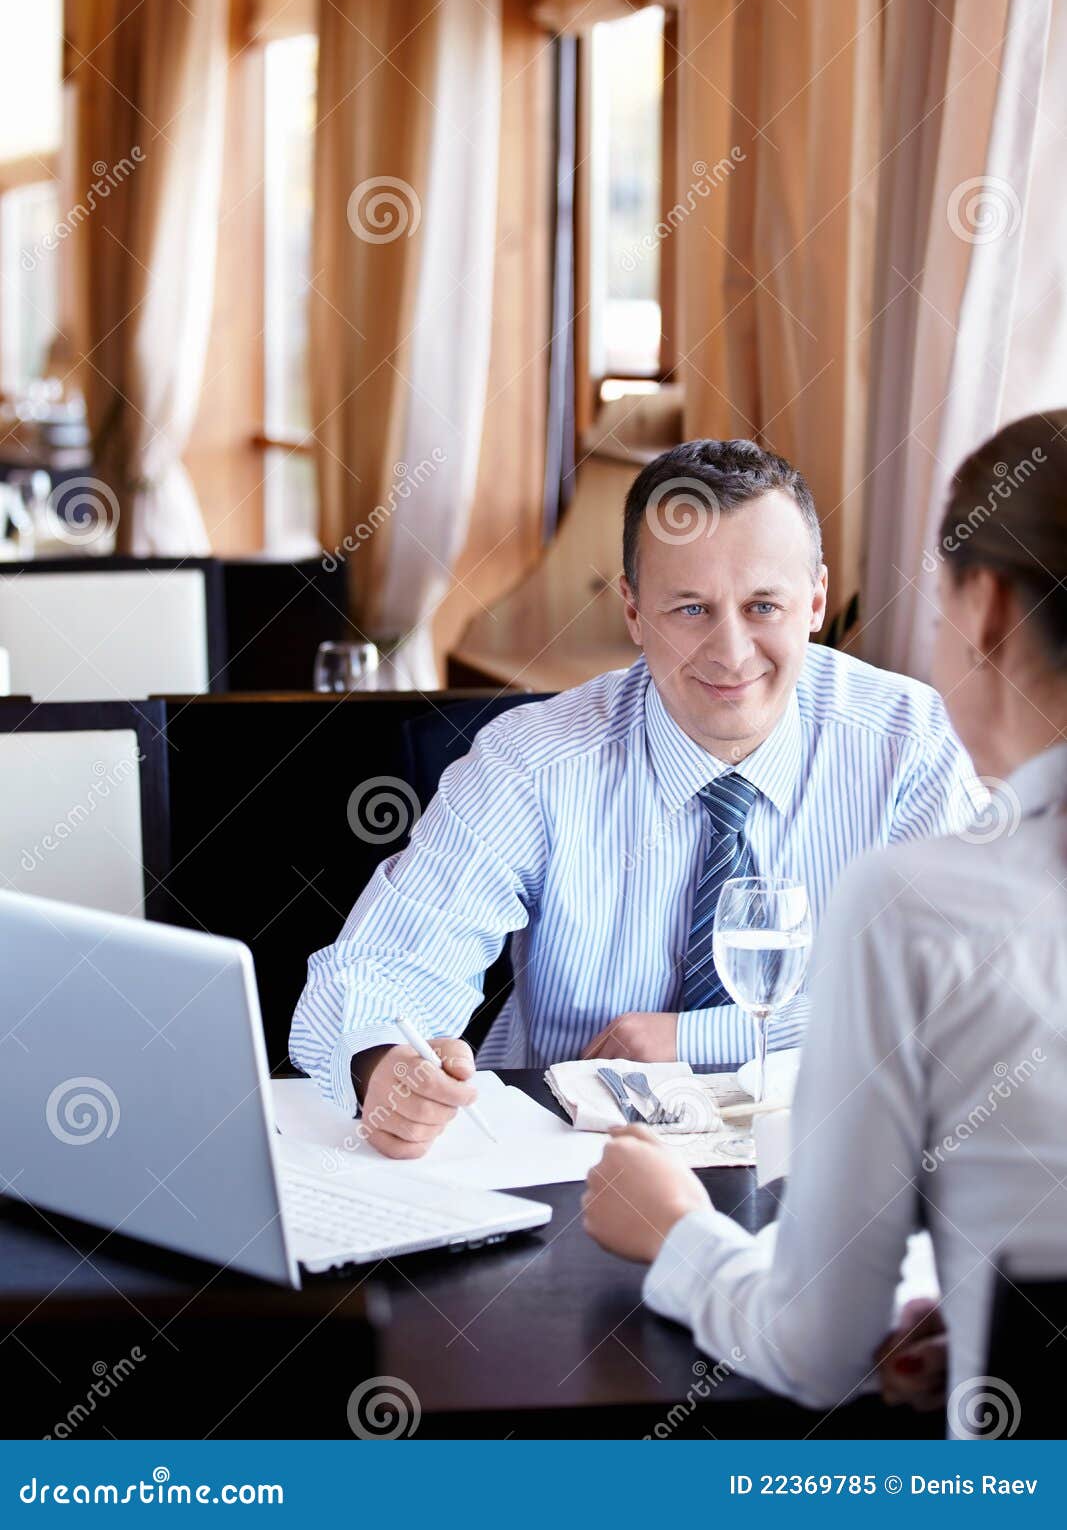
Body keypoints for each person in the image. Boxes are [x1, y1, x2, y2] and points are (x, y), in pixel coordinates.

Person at [290, 439, 975, 1159]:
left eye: (763, 605)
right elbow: (378, 969)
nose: (731, 652)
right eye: (689, 609)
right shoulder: (531, 760)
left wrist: (691, 1039)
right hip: (559, 1155)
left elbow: (957, 993)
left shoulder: (909, 742)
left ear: (814, 601)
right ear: (631, 610)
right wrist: (386, 1064)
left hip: (825, 1158)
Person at [582, 411, 1067, 1421]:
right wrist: (975, 1313)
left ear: (980, 609)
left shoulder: (917, 902)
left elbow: (812, 1347)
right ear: (634, 609)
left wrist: (674, 1230)